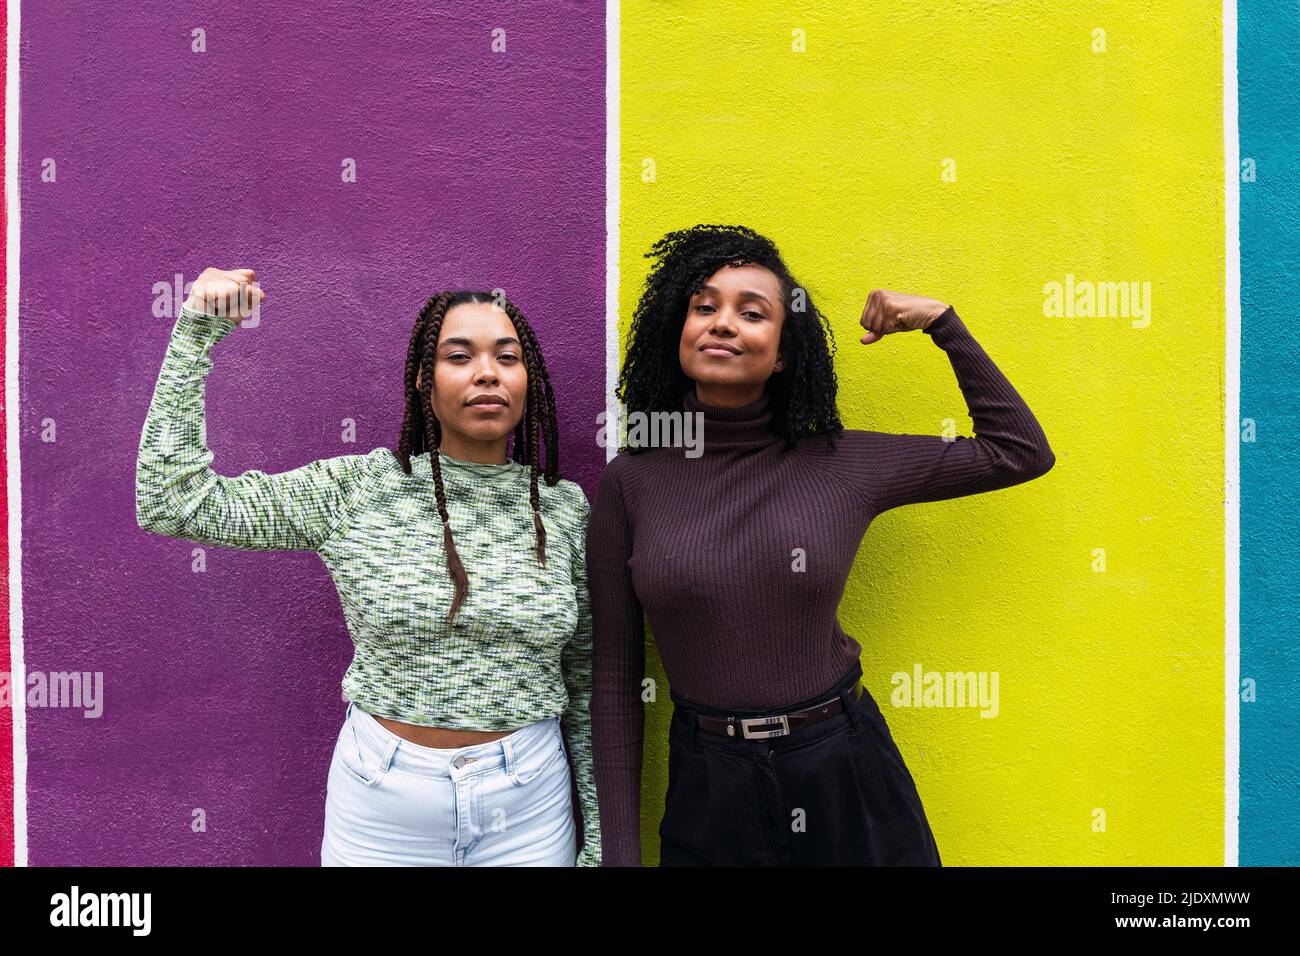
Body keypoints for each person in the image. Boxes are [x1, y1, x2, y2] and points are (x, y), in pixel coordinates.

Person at [587, 224, 1055, 866]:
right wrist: (618, 855)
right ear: (679, 331)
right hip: (708, 786)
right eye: (704, 307)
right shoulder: (631, 483)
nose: (723, 323)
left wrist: (942, 323)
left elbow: (1019, 452)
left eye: (751, 313)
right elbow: (615, 677)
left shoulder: (841, 462)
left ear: (782, 351)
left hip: (842, 769)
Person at [136, 268, 600, 866]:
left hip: (530, 808)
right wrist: (196, 331)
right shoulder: (356, 491)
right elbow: (173, 503)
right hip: (384, 807)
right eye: (459, 356)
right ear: (423, 383)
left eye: (506, 358)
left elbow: (585, 683)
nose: (487, 371)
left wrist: (596, 842)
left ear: (526, 379)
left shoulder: (564, 509)